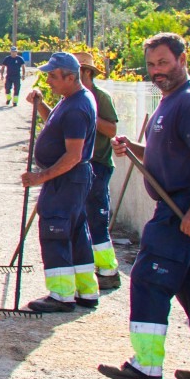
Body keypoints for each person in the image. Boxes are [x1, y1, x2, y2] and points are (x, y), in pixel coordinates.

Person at [100, 32, 190, 379]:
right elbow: (167, 154)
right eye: (151, 65)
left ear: (182, 59)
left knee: (149, 277)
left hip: (182, 209)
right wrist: (133, 147)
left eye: (163, 62)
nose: (156, 70)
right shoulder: (170, 100)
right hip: (179, 207)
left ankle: (146, 365)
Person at [21, 52, 100, 312]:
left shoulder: (76, 107)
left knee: (55, 231)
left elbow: (73, 155)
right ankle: (86, 291)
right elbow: (56, 127)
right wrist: (40, 105)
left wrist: (39, 177)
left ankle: (61, 295)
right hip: (71, 180)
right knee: (76, 233)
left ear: (70, 77)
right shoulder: (72, 100)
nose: (49, 81)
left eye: (53, 76)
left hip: (66, 179)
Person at [76, 52, 122, 291]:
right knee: (79, 219)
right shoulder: (72, 98)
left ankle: (108, 271)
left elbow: (112, 130)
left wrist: (89, 114)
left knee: (96, 219)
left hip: (98, 165)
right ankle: (88, 270)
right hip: (78, 166)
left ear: (87, 72)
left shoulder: (100, 97)